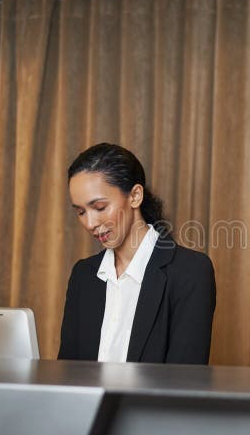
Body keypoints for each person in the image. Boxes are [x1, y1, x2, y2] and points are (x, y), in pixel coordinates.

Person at [58, 143, 216, 364]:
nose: (90, 223)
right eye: (81, 212)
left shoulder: (190, 272)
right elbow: (68, 373)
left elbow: (184, 383)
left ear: (135, 196)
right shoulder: (83, 275)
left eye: (100, 207)